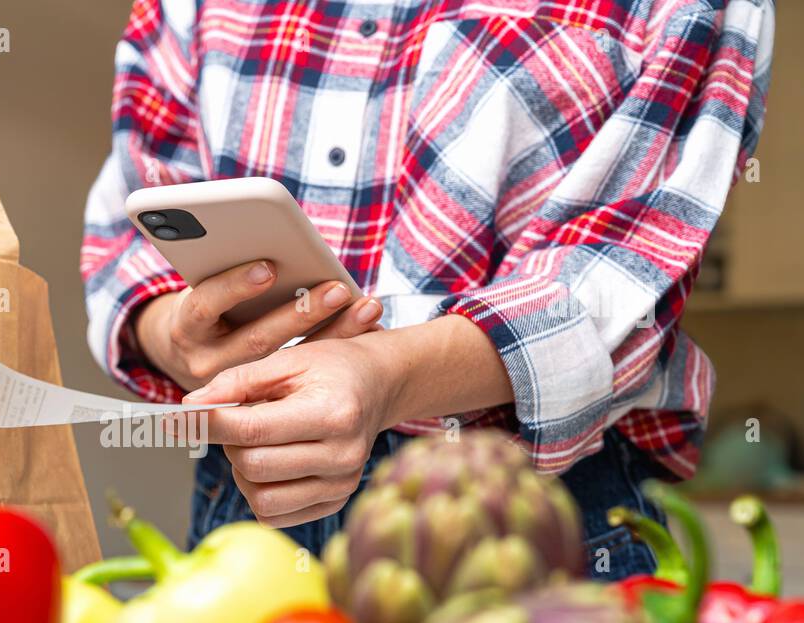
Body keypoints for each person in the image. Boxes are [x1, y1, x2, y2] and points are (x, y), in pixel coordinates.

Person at [82, 0, 773, 580]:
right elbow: (126, 231)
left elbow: (626, 271)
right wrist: (175, 330)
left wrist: (388, 374)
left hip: (541, 518)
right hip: (248, 508)